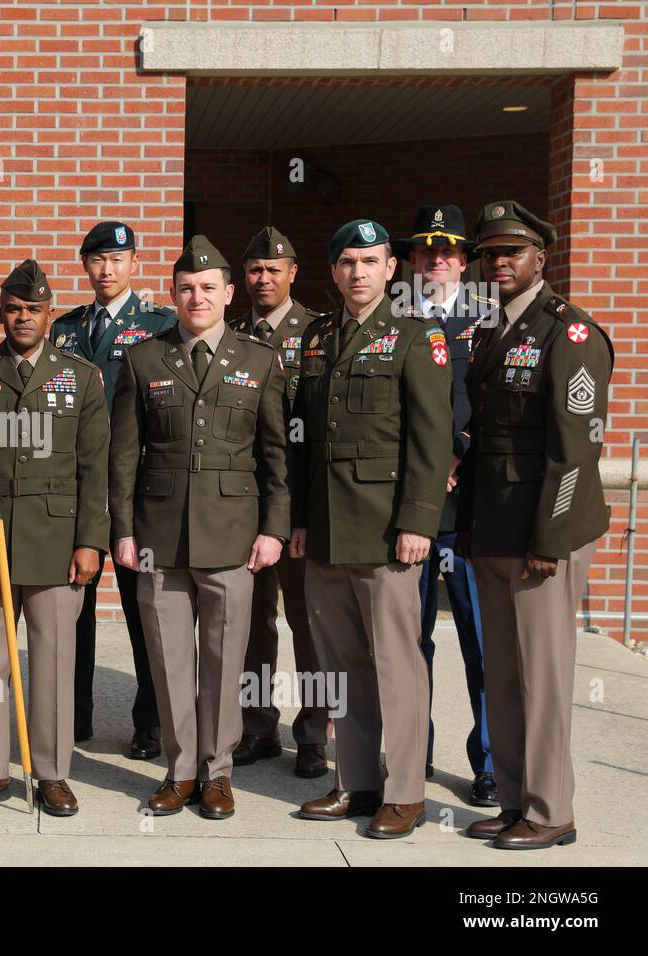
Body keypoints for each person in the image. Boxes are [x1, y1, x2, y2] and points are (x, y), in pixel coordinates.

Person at [110, 236, 289, 819]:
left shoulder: (259, 359)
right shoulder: (143, 358)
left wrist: (273, 530)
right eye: (186, 287)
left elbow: (274, 456)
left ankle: (218, 773)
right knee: (168, 660)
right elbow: (122, 455)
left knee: (222, 660)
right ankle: (180, 768)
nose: (197, 297)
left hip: (233, 535)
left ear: (228, 293)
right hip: (159, 536)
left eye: (209, 287)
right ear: (173, 293)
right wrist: (124, 530)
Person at [457, 201, 614, 850]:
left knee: (543, 678)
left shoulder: (568, 334)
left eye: (510, 252)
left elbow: (575, 450)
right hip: (493, 528)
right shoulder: (491, 330)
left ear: (539, 259)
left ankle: (552, 811)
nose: (497, 263)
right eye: (488, 253)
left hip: (540, 535)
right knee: (505, 674)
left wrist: (549, 540)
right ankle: (517, 797)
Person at [291, 219, 451, 840]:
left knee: (395, 663)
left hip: (388, 531)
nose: (358, 271)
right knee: (342, 663)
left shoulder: (416, 336)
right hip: (328, 530)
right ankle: (356, 782)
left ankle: (406, 790)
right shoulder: (317, 337)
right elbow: (305, 443)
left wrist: (418, 520)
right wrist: (301, 521)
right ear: (332, 272)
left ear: (391, 270)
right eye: (346, 262)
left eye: (370, 260)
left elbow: (431, 439)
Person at [0, 260, 109, 815]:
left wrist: (91, 541)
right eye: (13, 309)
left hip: (56, 540)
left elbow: (97, 468)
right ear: (0, 314)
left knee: (52, 661)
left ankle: (51, 773)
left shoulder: (81, 375)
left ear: (49, 314)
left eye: (33, 309)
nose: (23, 318)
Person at [51, 221, 176, 757]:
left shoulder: (160, 324)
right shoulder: (63, 329)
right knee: (69, 609)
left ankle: (150, 722)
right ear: (85, 265)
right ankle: (72, 716)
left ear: (134, 265)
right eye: (97, 259)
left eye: (117, 259)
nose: (107, 269)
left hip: (132, 489)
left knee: (144, 609)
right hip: (75, 488)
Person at [391, 204, 496, 805]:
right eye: (426, 251)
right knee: (410, 641)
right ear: (411, 260)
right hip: (409, 507)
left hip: (468, 514)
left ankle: (487, 762)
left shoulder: (490, 322)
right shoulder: (394, 321)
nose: (437, 259)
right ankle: (413, 755)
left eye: (448, 251)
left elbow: (498, 406)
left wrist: (458, 453)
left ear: (464, 261)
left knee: (480, 643)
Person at [227, 226, 329, 779]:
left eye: (273, 269)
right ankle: (256, 725)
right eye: (253, 271)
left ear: (293, 273)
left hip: (299, 505)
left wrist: (305, 515)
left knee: (308, 626)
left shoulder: (318, 330)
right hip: (244, 504)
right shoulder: (233, 331)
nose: (262, 279)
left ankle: (314, 733)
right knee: (251, 625)